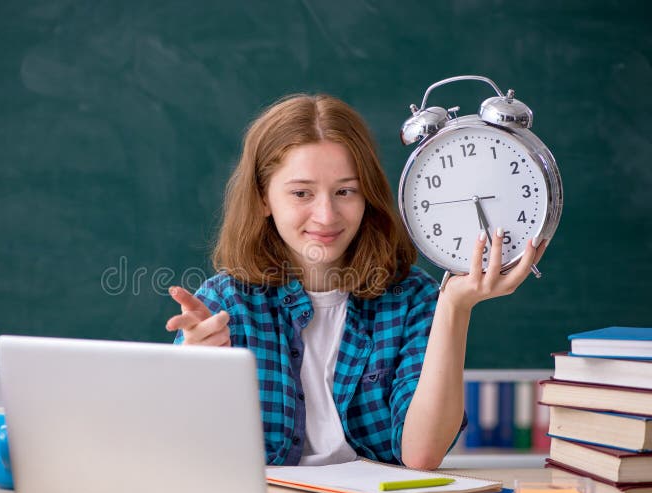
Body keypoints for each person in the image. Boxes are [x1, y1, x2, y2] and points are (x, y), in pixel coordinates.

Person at [165, 94, 547, 469]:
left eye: (345, 191)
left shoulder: (412, 299)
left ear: (368, 195)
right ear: (264, 198)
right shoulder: (222, 305)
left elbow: (421, 454)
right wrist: (194, 373)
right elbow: (179, 453)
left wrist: (454, 306)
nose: (326, 215)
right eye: (301, 193)